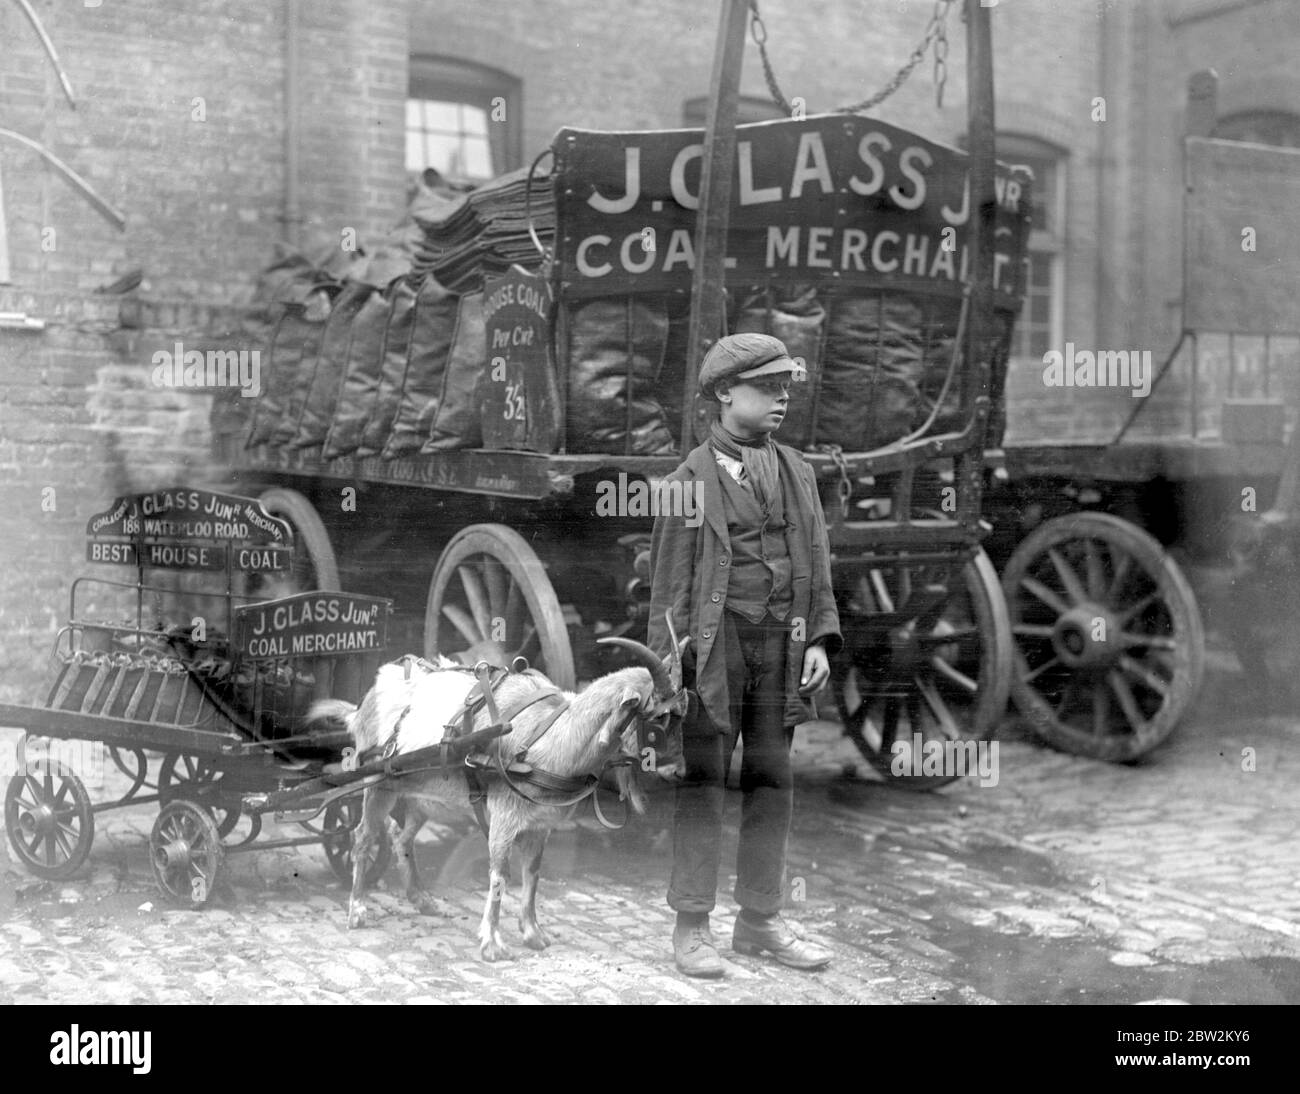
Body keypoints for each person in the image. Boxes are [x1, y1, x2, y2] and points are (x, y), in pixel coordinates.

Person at [647, 332, 842, 978]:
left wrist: (817, 637)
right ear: (725, 394)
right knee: (703, 784)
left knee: (773, 782)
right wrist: (670, 676)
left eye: (786, 388)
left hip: (780, 648)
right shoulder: (686, 483)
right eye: (767, 388)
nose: (781, 399)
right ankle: (692, 926)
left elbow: (816, 560)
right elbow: (669, 594)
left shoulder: (798, 472)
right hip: (715, 653)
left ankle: (760, 921)